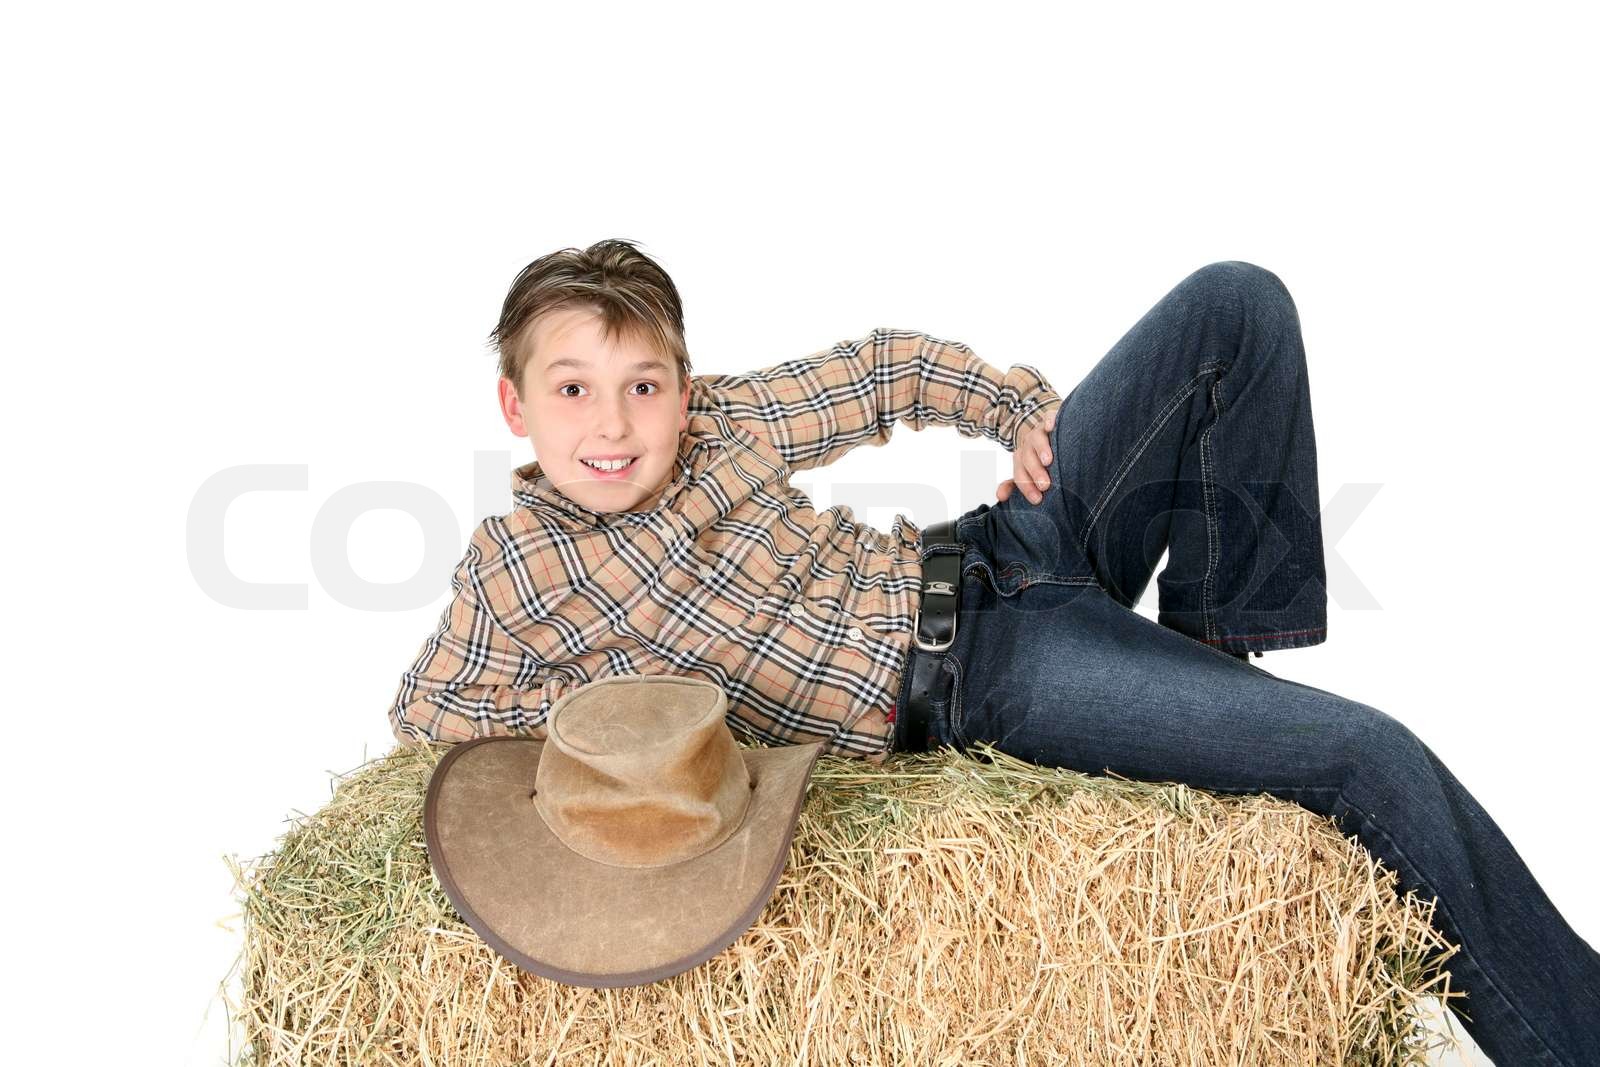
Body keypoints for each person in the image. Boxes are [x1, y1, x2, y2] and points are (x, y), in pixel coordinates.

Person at [387, 239, 1600, 1065]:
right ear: (515, 408)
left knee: (1237, 306)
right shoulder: (518, 567)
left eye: (643, 385)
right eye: (574, 389)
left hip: (1004, 546)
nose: (614, 424)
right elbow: (431, 715)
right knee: (1371, 759)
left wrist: (1017, 411)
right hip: (979, 681)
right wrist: (622, 732)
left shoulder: (724, 424)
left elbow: (884, 372)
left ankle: (1215, 680)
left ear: (683, 385)